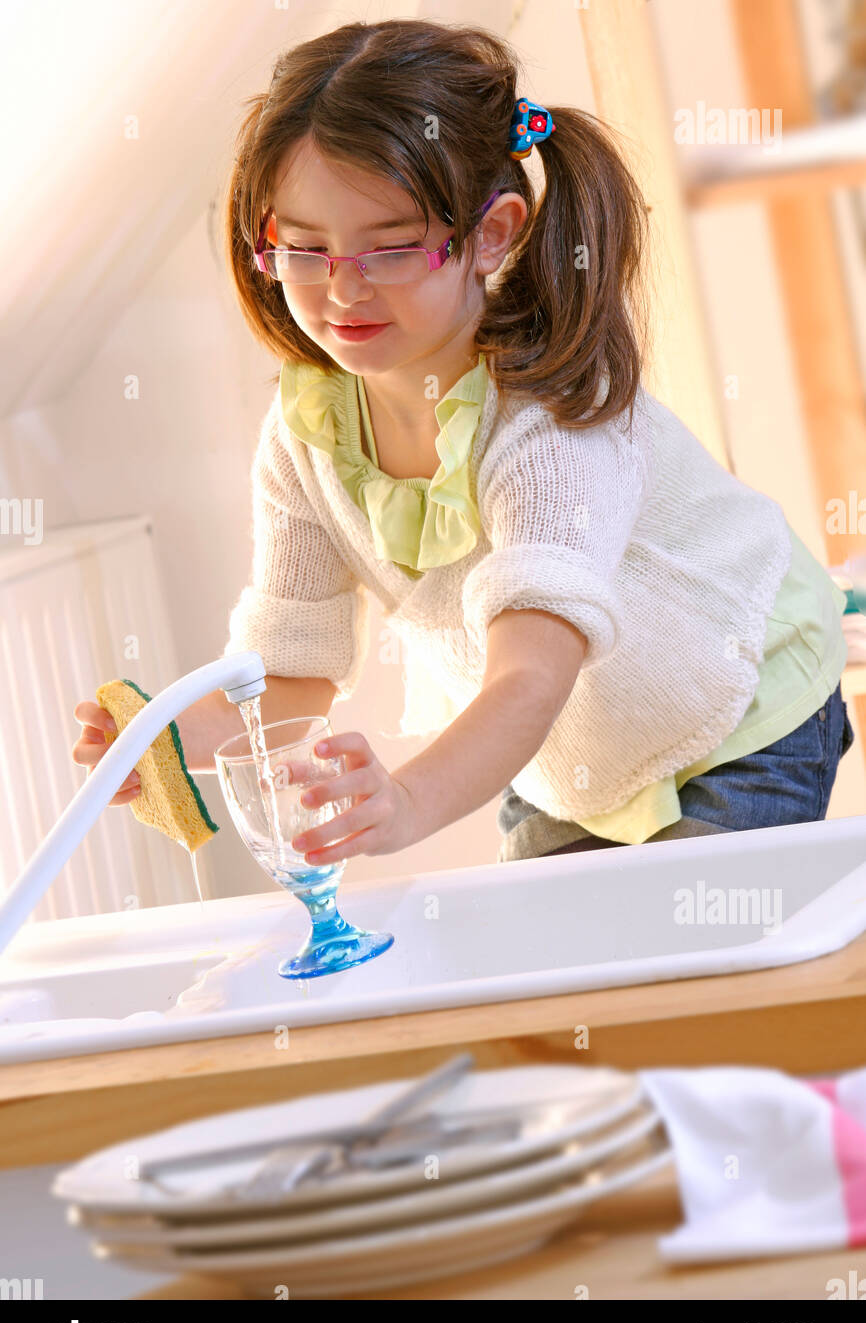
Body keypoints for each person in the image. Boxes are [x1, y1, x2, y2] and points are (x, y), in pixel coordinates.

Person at [72, 17, 855, 867]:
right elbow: (293, 671)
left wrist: (409, 798)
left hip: (734, 702)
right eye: (304, 248)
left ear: (491, 233)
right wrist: (163, 733)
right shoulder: (307, 437)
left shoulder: (549, 420)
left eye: (393, 247)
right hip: (561, 754)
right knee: (552, 982)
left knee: (679, 966)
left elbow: (530, 674)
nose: (343, 287)